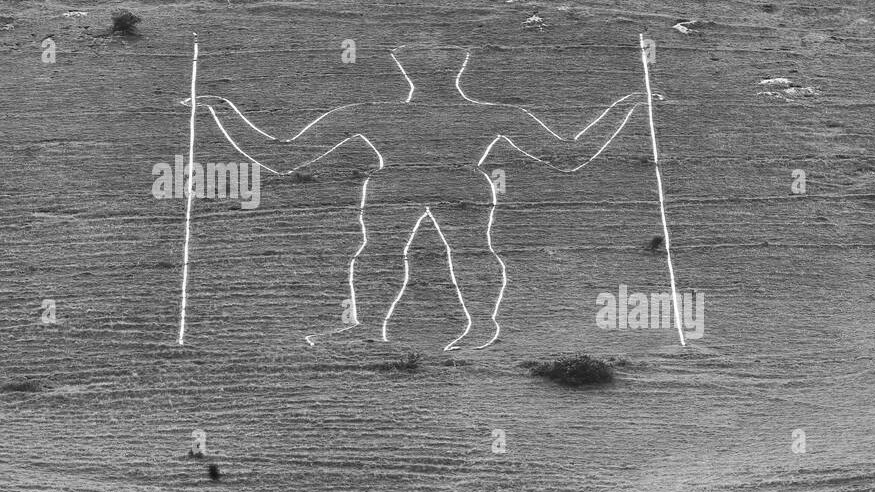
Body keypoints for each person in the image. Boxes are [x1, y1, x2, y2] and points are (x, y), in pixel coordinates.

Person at [189, 45, 647, 349]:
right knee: (401, 252)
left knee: (443, 252)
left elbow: (282, 157)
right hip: (426, 185)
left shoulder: (375, 113)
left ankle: (465, 325)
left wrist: (221, 111)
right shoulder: (481, 115)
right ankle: (378, 328)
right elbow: (569, 156)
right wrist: (623, 109)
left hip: (431, 185)